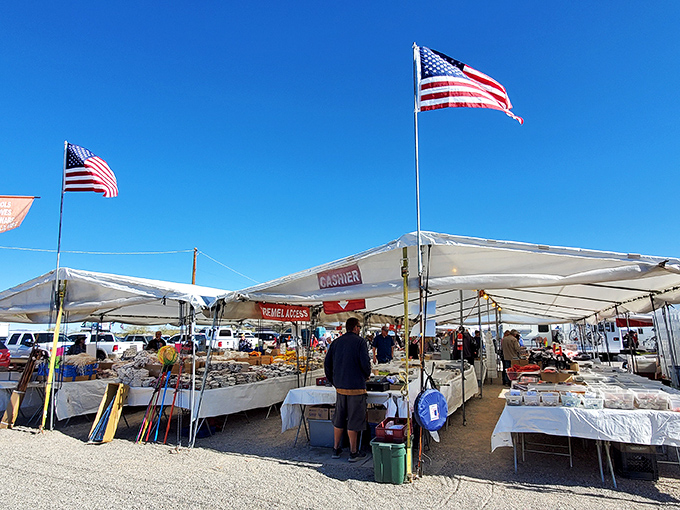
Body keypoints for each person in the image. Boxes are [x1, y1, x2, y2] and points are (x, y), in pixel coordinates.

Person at [324, 317, 371, 462]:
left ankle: (336, 448)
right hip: (356, 387)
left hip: (340, 387)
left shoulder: (336, 342)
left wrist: (334, 381)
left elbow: (327, 364)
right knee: (354, 420)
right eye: (359, 327)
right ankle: (353, 452)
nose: (360, 329)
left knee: (339, 418)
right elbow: (365, 364)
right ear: (356, 327)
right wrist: (366, 375)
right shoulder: (360, 342)